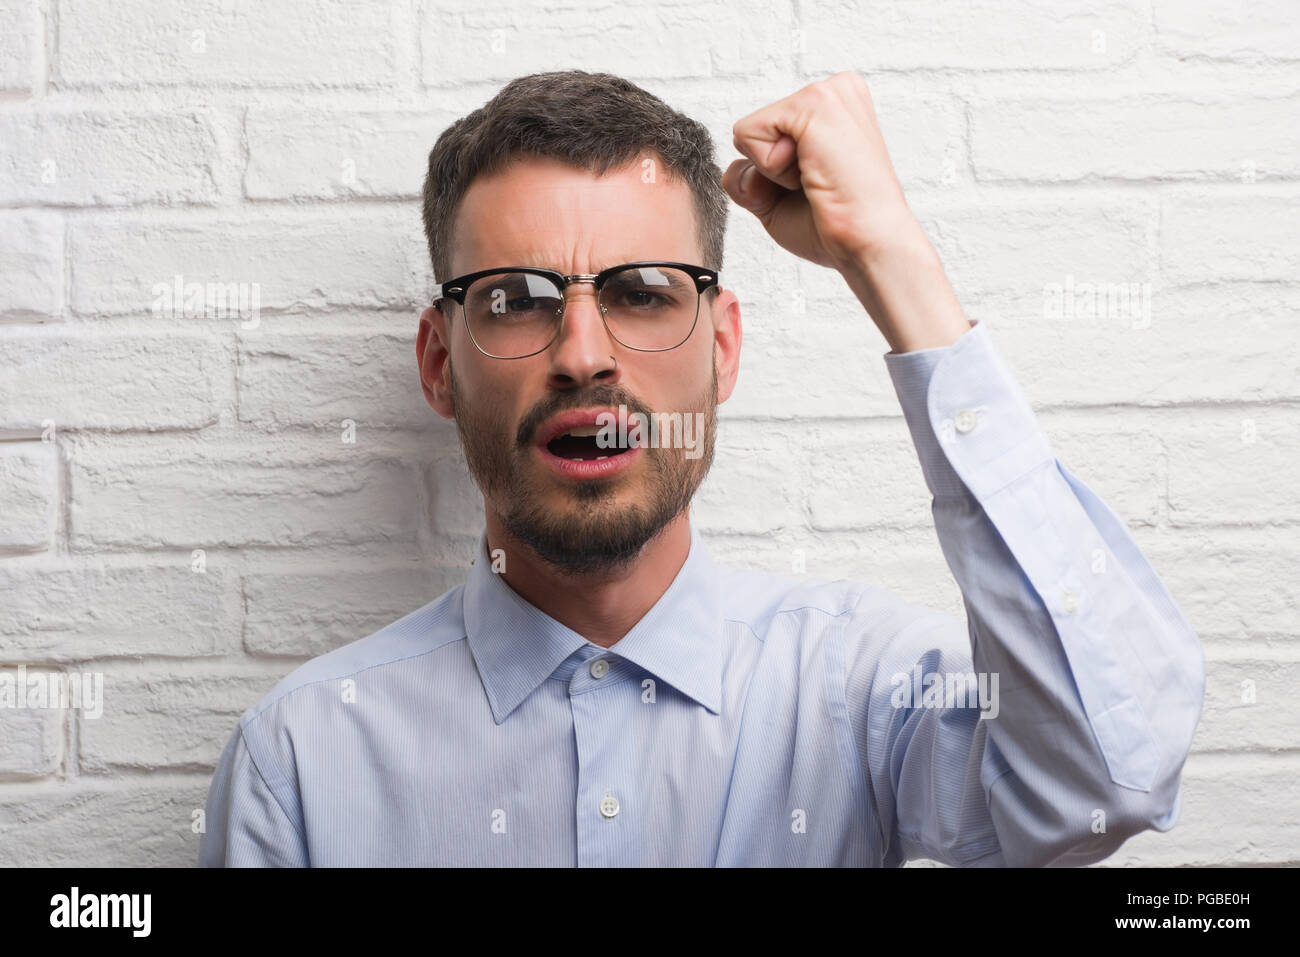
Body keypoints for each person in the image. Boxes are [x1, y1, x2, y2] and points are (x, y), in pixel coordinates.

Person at [198, 70, 1204, 867]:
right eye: (515, 299)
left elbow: (1105, 781)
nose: (582, 353)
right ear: (436, 363)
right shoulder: (301, 761)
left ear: (721, 349)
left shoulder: (860, 691)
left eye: (641, 292)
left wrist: (889, 254)